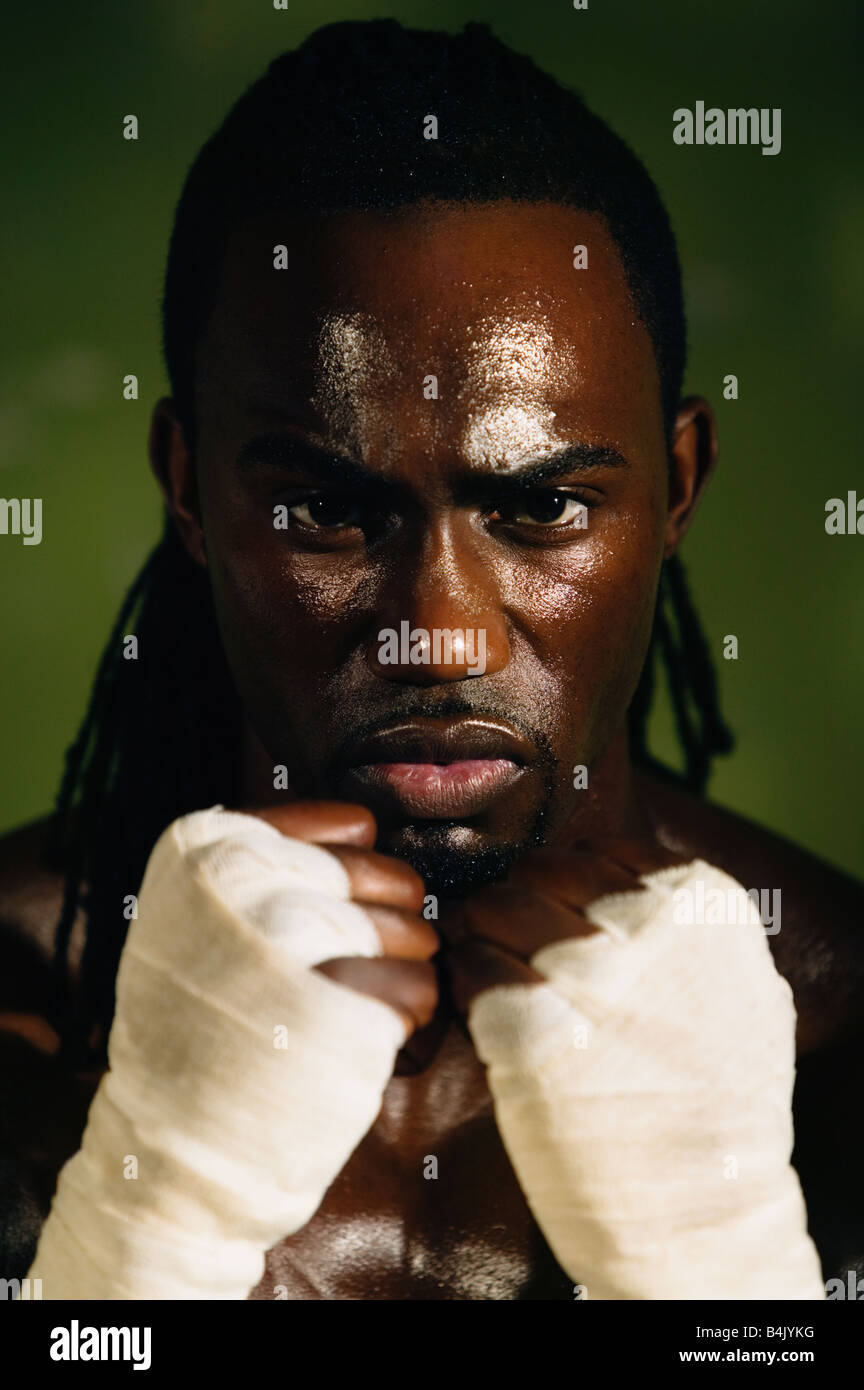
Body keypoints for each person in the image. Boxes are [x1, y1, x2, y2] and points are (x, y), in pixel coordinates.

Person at [2, 19, 862, 1301]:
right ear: (189, 489)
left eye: (545, 507)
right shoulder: (21, 989)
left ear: (676, 487)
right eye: (328, 511)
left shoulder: (846, 1036)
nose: (443, 633)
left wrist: (716, 1265)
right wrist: (143, 1235)